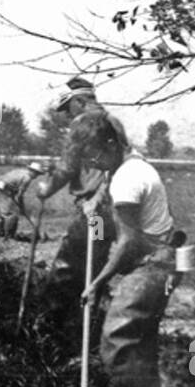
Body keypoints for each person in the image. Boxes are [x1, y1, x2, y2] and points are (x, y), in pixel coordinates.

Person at [78, 115, 177, 387]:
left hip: (153, 264)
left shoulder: (127, 178)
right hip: (163, 261)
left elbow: (127, 243)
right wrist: (93, 214)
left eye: (94, 155)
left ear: (111, 144)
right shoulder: (126, 165)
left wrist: (97, 282)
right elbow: (104, 227)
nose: (91, 163)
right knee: (141, 345)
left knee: (117, 340)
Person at [34, 77, 128, 299]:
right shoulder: (114, 122)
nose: (67, 115)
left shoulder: (82, 122)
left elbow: (67, 167)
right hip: (112, 209)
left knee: (67, 266)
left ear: (79, 101)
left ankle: (59, 317)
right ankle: (91, 308)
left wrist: (45, 189)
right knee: (95, 258)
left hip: (93, 210)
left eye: (67, 109)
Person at [0, 162, 44, 238]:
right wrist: (22, 207)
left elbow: (12, 183)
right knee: (7, 214)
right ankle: (4, 235)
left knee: (5, 213)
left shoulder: (20, 171)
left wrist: (12, 193)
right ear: (32, 171)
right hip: (2, 190)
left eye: (38, 174)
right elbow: (20, 196)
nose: (36, 176)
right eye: (36, 173)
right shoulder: (27, 178)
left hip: (1, 187)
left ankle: (2, 234)